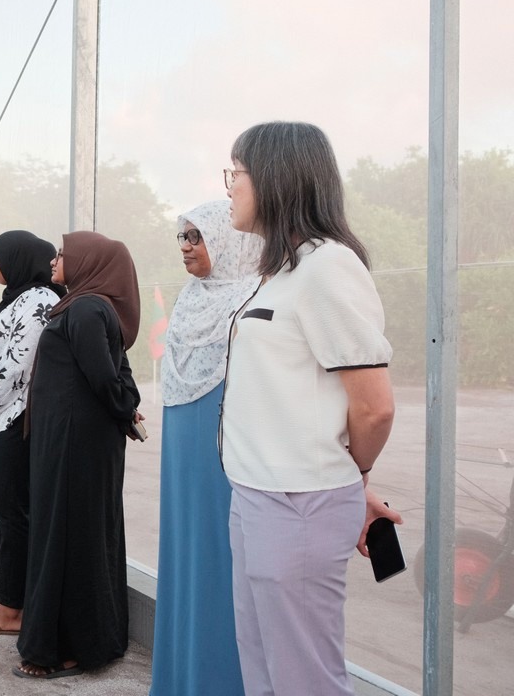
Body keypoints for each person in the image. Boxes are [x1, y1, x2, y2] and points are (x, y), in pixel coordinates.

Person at [221, 121, 400, 696]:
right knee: (263, 669)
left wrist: (354, 478)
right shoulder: (283, 271)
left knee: (304, 680)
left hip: (298, 501)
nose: (230, 187)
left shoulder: (328, 267)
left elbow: (373, 408)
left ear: (276, 178)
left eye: (236, 173)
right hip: (257, 494)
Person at [15, 231, 142, 680]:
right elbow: (116, 371)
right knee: (70, 531)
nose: (54, 260)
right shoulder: (81, 306)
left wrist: (125, 406)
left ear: (88, 262)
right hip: (71, 439)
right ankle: (78, 639)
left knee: (72, 535)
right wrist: (127, 405)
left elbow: (105, 376)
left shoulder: (87, 308)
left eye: (63, 254)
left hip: (77, 444)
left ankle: (72, 648)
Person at [150, 200, 261, 696]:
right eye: (184, 236)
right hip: (182, 446)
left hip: (225, 447)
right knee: (184, 552)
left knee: (221, 557)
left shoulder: (255, 296)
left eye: (198, 236)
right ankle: (181, 680)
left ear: (229, 241)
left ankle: (218, 682)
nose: (186, 246)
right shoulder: (190, 298)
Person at [0, 231, 64, 637]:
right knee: (11, 511)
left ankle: (12, 610)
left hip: (21, 420)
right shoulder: (18, 298)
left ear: (18, 260)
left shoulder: (39, 300)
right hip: (5, 415)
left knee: (13, 512)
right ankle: (15, 598)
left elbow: (19, 363)